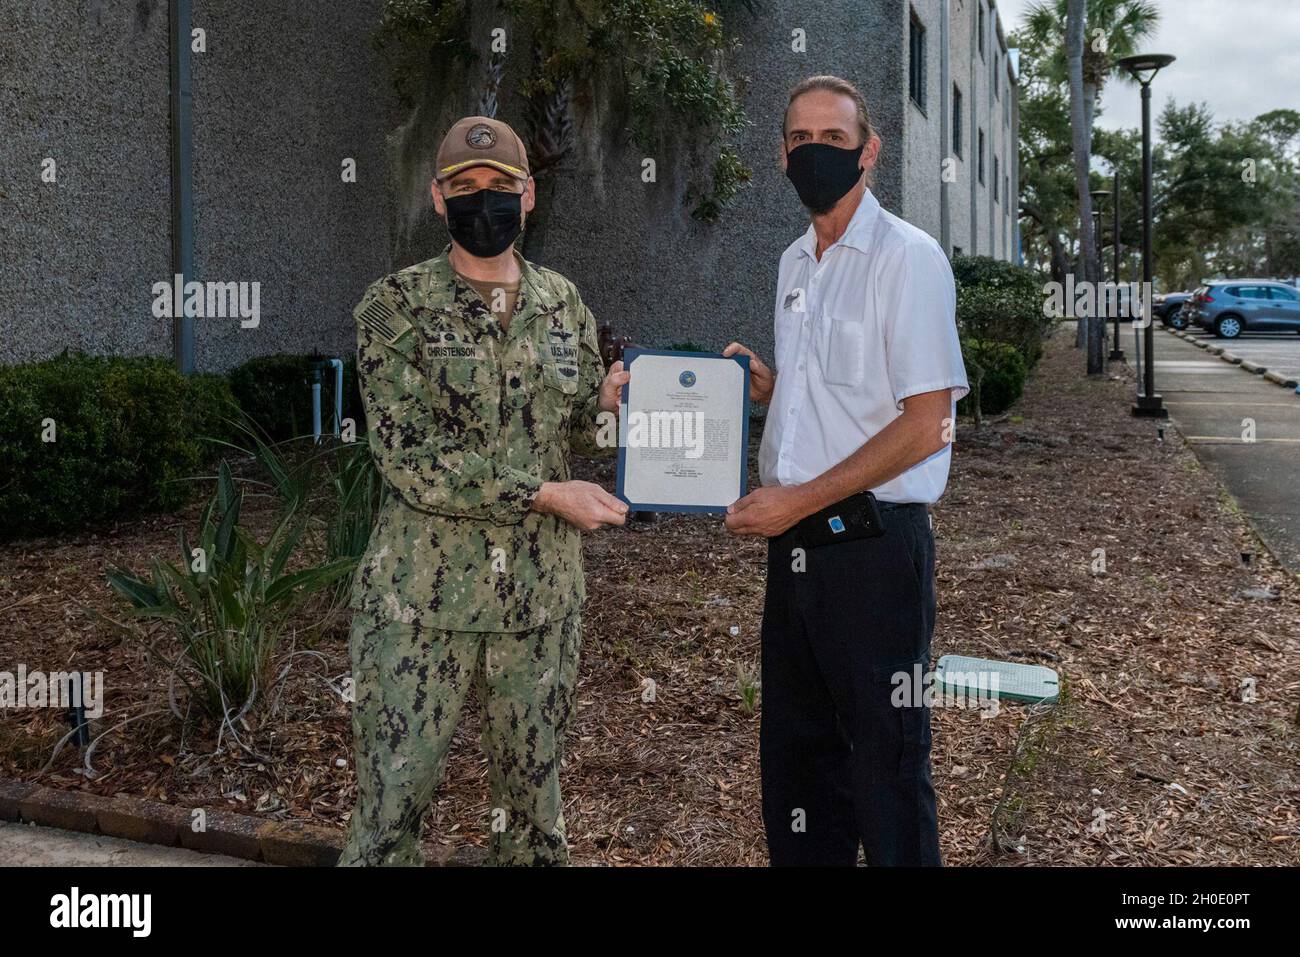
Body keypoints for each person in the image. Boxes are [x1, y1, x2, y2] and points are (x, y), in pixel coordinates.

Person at [339, 116, 629, 866]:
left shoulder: (564, 303)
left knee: (532, 825)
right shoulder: (393, 307)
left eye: (500, 186)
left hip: (540, 603)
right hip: (420, 604)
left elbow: (579, 425)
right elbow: (411, 457)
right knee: (388, 818)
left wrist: (620, 408)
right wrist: (543, 493)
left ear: (528, 194)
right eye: (464, 188)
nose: (483, 201)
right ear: (438, 199)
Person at [723, 76, 968, 866]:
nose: (816, 151)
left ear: (870, 151)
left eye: (835, 138)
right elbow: (839, 394)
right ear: (781, 154)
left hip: (874, 551)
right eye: (801, 139)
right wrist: (770, 387)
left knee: (888, 772)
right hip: (796, 560)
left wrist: (797, 498)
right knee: (798, 771)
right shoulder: (796, 260)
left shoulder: (909, 258)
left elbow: (927, 423)